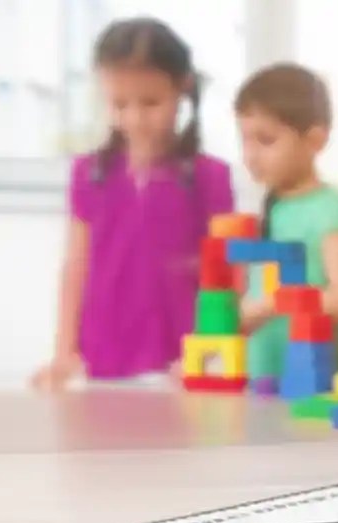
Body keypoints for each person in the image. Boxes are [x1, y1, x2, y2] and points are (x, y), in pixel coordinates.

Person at [32, 17, 234, 391]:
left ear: (182, 89)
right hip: (103, 358)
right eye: (120, 104)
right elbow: (76, 266)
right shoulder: (88, 174)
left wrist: (209, 351)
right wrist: (64, 352)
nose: (136, 118)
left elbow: (226, 277)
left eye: (151, 102)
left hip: (180, 360)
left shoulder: (210, 177)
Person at [233, 63, 338, 381]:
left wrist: (270, 305)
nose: (251, 155)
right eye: (245, 140)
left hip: (314, 385)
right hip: (260, 381)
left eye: (265, 140)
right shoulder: (268, 210)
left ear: (315, 141)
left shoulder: (332, 209)